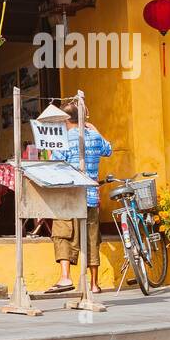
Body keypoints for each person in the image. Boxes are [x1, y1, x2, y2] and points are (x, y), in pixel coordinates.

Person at [47, 97, 112, 294]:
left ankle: (65, 277)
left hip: (70, 195)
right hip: (91, 196)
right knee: (92, 238)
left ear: (66, 119)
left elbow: (56, 163)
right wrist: (95, 130)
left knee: (62, 233)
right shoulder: (93, 136)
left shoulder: (65, 139)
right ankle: (94, 284)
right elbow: (108, 150)